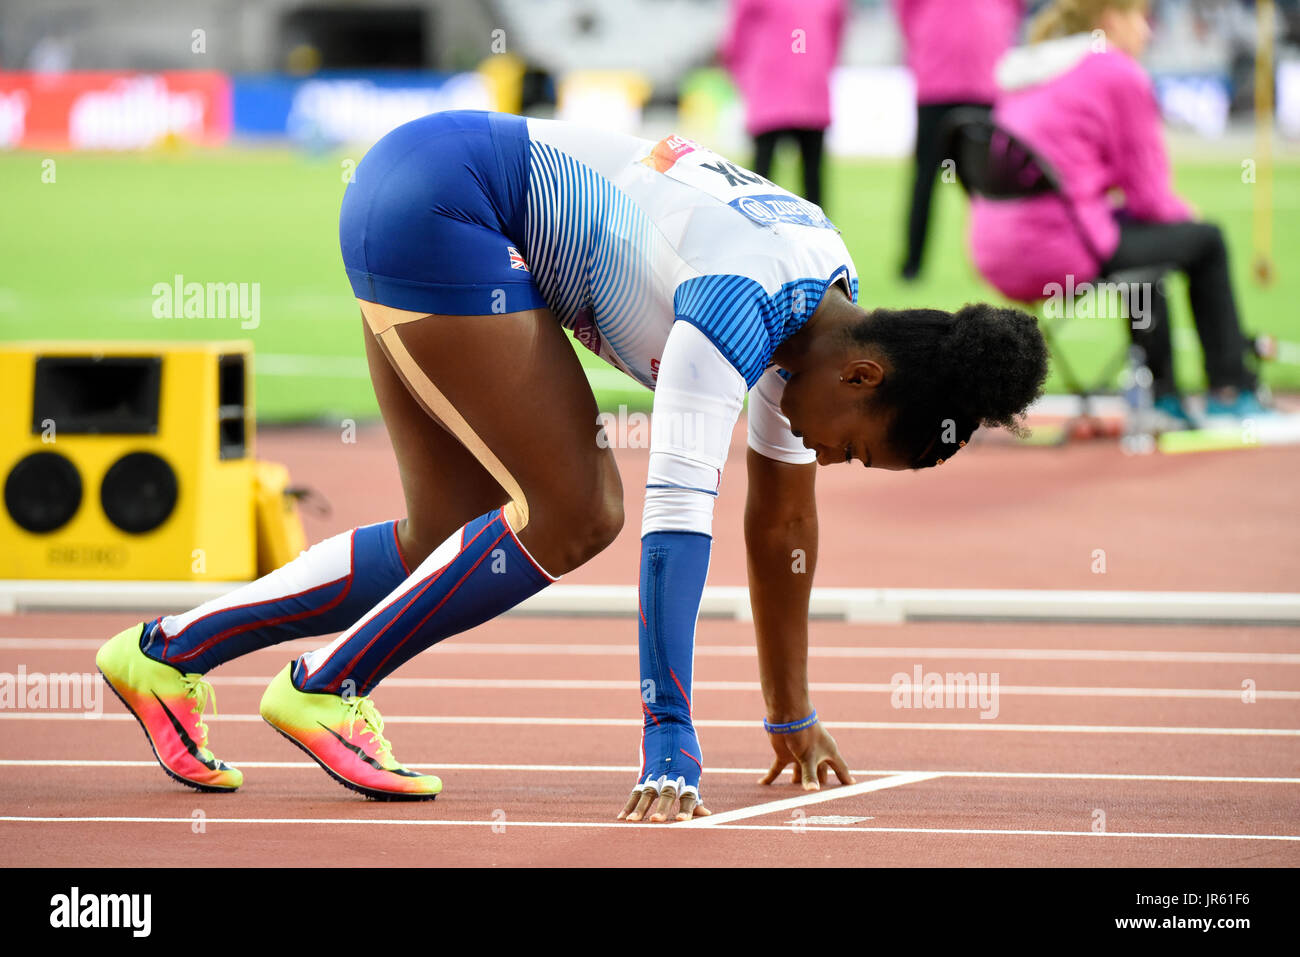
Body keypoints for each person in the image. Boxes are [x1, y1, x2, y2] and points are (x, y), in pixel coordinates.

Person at [96, 110, 1047, 823]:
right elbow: (677, 528)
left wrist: (788, 712)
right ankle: (325, 687)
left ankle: (164, 655)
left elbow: (784, 525)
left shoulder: (827, 317)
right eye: (853, 447)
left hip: (419, 181)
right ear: (865, 375)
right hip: (449, 204)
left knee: (445, 536)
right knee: (581, 508)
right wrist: (669, 741)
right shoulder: (736, 313)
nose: (829, 458)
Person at [969, 0, 1267, 427]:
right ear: (1110, 19)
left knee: (1138, 241)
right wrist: (1185, 214)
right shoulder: (1115, 72)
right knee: (1204, 239)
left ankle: (1160, 394)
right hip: (1059, 252)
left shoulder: (1028, 70)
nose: (1147, 32)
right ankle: (1227, 389)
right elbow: (1150, 198)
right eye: (1140, 18)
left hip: (994, 253)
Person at [894, 0, 1024, 281]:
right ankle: (913, 263)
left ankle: (992, 261)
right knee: (928, 179)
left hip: (982, 83)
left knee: (986, 184)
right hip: (940, 83)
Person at [720, 0, 847, 209]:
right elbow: (835, 35)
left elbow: (736, 40)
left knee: (761, 181)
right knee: (811, 178)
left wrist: (742, 74)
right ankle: (817, 238)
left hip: (774, 89)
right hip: (806, 89)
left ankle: (756, 234)